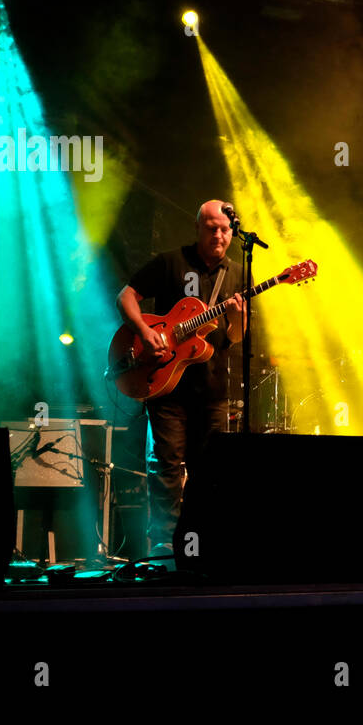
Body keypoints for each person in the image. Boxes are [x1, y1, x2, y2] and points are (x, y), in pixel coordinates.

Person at [116, 200, 247, 556]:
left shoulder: (239, 273)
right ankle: (163, 549)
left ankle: (201, 546)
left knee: (208, 471)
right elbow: (126, 296)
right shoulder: (170, 262)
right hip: (165, 385)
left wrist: (235, 316)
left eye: (224, 229)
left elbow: (235, 337)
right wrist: (144, 331)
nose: (218, 235)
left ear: (233, 232)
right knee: (167, 467)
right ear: (198, 228)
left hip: (213, 388)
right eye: (211, 228)